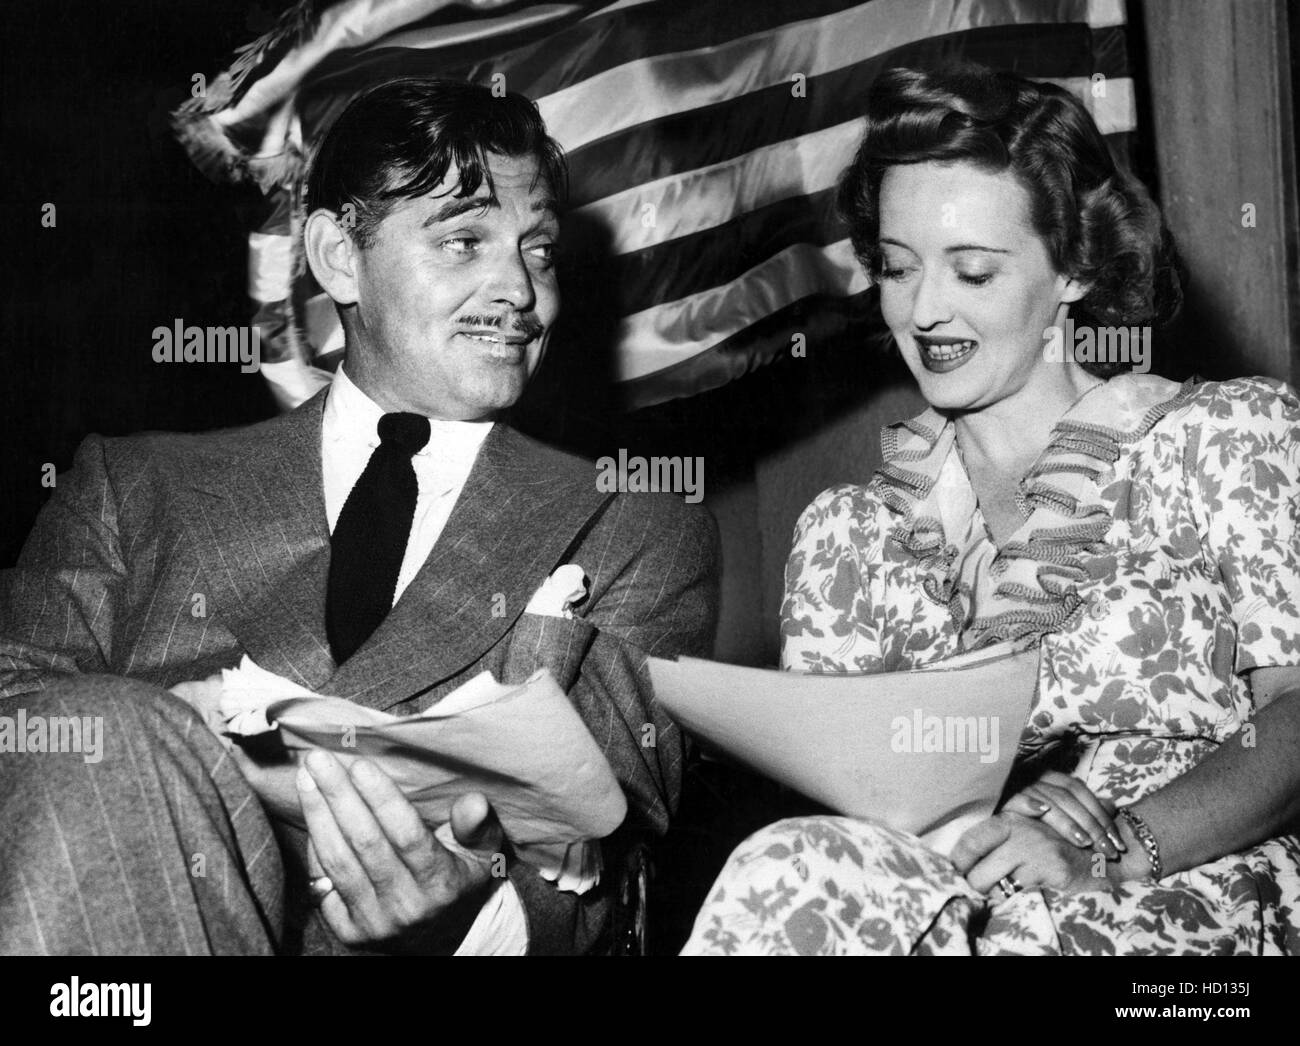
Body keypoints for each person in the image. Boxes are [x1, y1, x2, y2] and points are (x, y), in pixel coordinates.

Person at [0, 78, 718, 956]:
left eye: (539, 251)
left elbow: (612, 871)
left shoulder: (636, 525)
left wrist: (472, 912)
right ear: (339, 257)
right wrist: (199, 761)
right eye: (463, 241)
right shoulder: (129, 485)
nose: (520, 293)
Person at [682, 63, 1300, 955]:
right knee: (790, 865)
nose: (925, 309)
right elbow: (870, 811)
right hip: (960, 904)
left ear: (1075, 269)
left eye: (972, 271)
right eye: (897, 268)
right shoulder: (846, 539)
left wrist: (1120, 844)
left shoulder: (1228, 437)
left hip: (1193, 913)